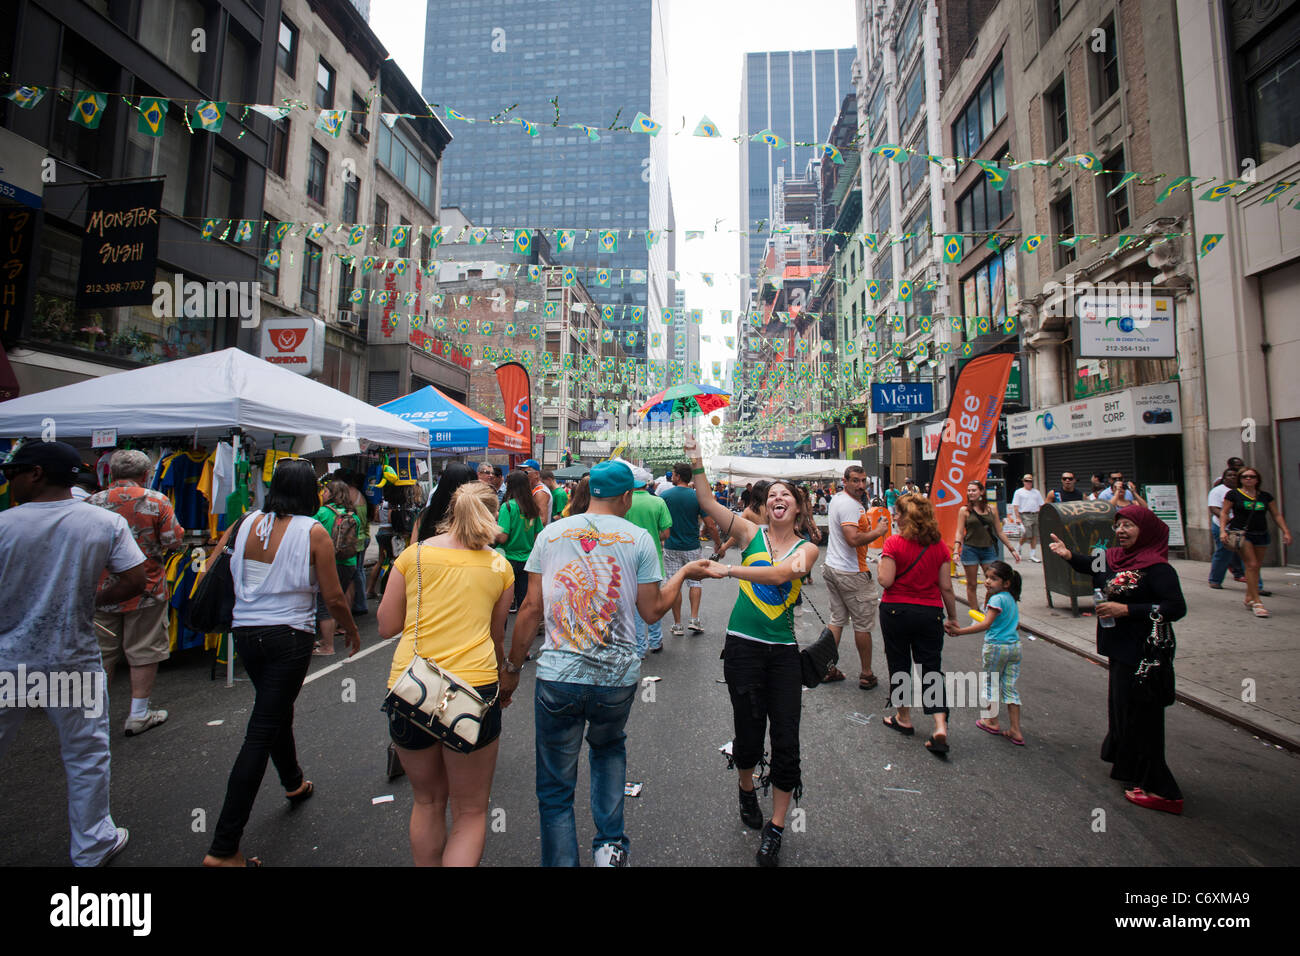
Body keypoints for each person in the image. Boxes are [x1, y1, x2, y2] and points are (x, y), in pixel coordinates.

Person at [502, 460, 719, 866]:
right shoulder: (638, 539)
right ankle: (609, 849)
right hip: (615, 679)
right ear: (625, 496)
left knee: (554, 789)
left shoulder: (551, 534)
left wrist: (512, 669)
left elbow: (530, 608)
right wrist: (687, 570)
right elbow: (653, 611)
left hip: (557, 678)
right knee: (607, 752)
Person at [201, 459, 359, 866]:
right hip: (289, 636)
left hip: (245, 634)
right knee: (261, 729)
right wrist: (350, 631)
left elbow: (210, 568)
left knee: (273, 712)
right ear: (310, 491)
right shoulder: (313, 531)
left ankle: (293, 782)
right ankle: (223, 848)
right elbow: (334, 595)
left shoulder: (243, 523)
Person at [0, 441, 147, 866]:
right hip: (71, 658)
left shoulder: (5, 525)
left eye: (14, 472)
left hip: (10, 658)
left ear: (37, 474)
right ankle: (92, 843)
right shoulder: (102, 523)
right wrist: (94, 599)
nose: (9, 480)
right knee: (86, 754)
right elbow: (135, 579)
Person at [681, 440, 819, 867]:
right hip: (742, 647)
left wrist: (729, 568)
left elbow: (781, 574)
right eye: (773, 494)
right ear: (766, 503)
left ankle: (776, 828)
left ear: (797, 508)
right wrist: (697, 459)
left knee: (787, 740)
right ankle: (745, 787)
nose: (779, 499)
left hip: (781, 655)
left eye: (787, 496)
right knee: (747, 731)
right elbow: (704, 499)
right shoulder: (748, 532)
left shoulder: (807, 548)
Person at [379, 482, 513, 866]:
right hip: (473, 691)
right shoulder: (499, 566)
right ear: (493, 513)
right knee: (470, 812)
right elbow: (495, 636)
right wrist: (505, 676)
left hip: (411, 687)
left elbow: (387, 626)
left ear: (450, 510)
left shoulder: (414, 556)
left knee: (427, 801)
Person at [1048, 506, 1187, 814]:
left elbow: (1176, 607)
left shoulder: (1158, 568)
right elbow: (1092, 565)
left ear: (1146, 530)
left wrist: (1127, 611)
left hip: (1144, 655)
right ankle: (1128, 766)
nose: (1122, 531)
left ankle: (1163, 790)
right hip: (1119, 649)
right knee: (1122, 710)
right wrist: (1067, 555)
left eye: (1129, 526)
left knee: (1143, 719)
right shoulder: (1113, 557)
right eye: (1119, 525)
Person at [88, 449, 185, 737]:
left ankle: (94, 717)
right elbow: (172, 541)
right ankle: (139, 713)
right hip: (146, 586)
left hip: (101, 590)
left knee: (99, 654)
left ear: (111, 474)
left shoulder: (92, 503)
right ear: (145, 474)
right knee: (144, 650)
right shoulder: (156, 500)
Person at [878, 494, 960, 758]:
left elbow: (886, 581)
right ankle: (939, 725)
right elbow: (946, 587)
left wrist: (882, 561)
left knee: (899, 664)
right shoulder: (939, 547)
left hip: (896, 610)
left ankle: (903, 717)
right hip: (930, 613)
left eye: (898, 513)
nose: (895, 517)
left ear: (906, 517)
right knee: (931, 668)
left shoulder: (894, 543)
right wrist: (953, 617)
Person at [823, 465, 890, 689]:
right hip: (851, 571)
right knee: (862, 624)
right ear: (845, 480)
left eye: (863, 481)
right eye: (855, 481)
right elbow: (853, 539)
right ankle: (866, 673)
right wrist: (879, 532)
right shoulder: (851, 505)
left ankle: (828, 667)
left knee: (837, 620)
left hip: (834, 567)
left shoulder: (839, 500)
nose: (861, 485)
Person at [946, 561, 1025, 745]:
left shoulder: (997, 600)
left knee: (992, 683)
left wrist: (960, 632)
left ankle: (992, 720)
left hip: (996, 646)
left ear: (1006, 583)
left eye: (994, 579)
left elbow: (986, 624)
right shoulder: (1011, 598)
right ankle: (1015, 729)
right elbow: (1017, 624)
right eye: (987, 577)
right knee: (1010, 687)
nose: (988, 581)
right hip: (1014, 647)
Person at [1220, 466, 1292, 618]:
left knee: (1255, 567)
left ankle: (1248, 597)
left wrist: (1285, 531)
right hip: (1242, 534)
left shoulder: (1265, 496)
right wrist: (1222, 530)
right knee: (1251, 565)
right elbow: (1224, 512)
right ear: (1240, 479)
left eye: (1252, 476)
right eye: (1244, 477)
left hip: (1261, 533)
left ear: (1257, 479)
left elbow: (1276, 515)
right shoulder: (1233, 494)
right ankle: (1257, 601)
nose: (1248, 479)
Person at [660, 462, 723, 636]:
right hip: (692, 547)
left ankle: (677, 624)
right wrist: (718, 543)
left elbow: (660, 524)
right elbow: (710, 524)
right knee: (695, 582)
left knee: (675, 583)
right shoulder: (697, 497)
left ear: (678, 476)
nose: (672, 476)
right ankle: (694, 619)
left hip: (671, 546)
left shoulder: (665, 496)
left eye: (673, 473)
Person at [312, 479, 365, 656]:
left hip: (329, 562)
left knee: (324, 603)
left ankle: (328, 645)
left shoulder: (322, 513)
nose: (323, 493)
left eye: (326, 491)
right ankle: (342, 627)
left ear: (332, 493)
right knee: (342, 595)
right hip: (349, 562)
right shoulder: (353, 514)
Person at [625, 466, 673, 657]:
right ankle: (655, 641)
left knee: (635, 604)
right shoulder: (658, 502)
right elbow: (666, 533)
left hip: (628, 558)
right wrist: (652, 533)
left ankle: (639, 647)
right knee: (653, 601)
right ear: (647, 483)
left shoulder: (623, 502)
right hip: (653, 557)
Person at [953, 481, 1021, 610]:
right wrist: (956, 550)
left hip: (988, 549)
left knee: (993, 583)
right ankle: (975, 613)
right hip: (970, 549)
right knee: (972, 584)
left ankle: (987, 610)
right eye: (969, 490)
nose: (970, 493)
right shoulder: (964, 510)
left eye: (973, 490)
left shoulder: (991, 509)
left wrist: (1012, 549)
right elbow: (960, 532)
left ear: (981, 492)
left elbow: (999, 531)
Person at [496, 470, 543, 614]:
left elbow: (503, 537)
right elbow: (537, 537)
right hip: (527, 560)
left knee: (503, 602)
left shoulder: (507, 507)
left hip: (508, 559)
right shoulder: (533, 508)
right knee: (524, 601)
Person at [1206, 467, 1251, 591]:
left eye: (1235, 475)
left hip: (1243, 527)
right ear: (1224, 478)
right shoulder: (1218, 491)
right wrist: (1227, 520)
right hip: (1224, 526)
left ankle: (1253, 583)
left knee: (1248, 555)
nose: (1232, 477)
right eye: (1229, 475)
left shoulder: (1244, 491)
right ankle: (1215, 580)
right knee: (1224, 553)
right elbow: (1214, 508)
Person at [1010, 474, 1045, 562]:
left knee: (1034, 535)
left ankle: (1032, 555)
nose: (1028, 482)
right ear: (1023, 482)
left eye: (1030, 481)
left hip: (1035, 514)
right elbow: (1016, 506)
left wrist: (1040, 514)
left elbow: (1041, 504)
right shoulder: (1019, 492)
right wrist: (1017, 518)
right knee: (1027, 533)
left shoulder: (1036, 492)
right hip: (1025, 514)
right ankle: (1018, 547)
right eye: (1026, 481)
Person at [521, 459, 551, 526]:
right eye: (521, 472)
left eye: (525, 472)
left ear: (536, 474)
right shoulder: (534, 489)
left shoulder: (540, 492)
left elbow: (543, 520)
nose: (522, 475)